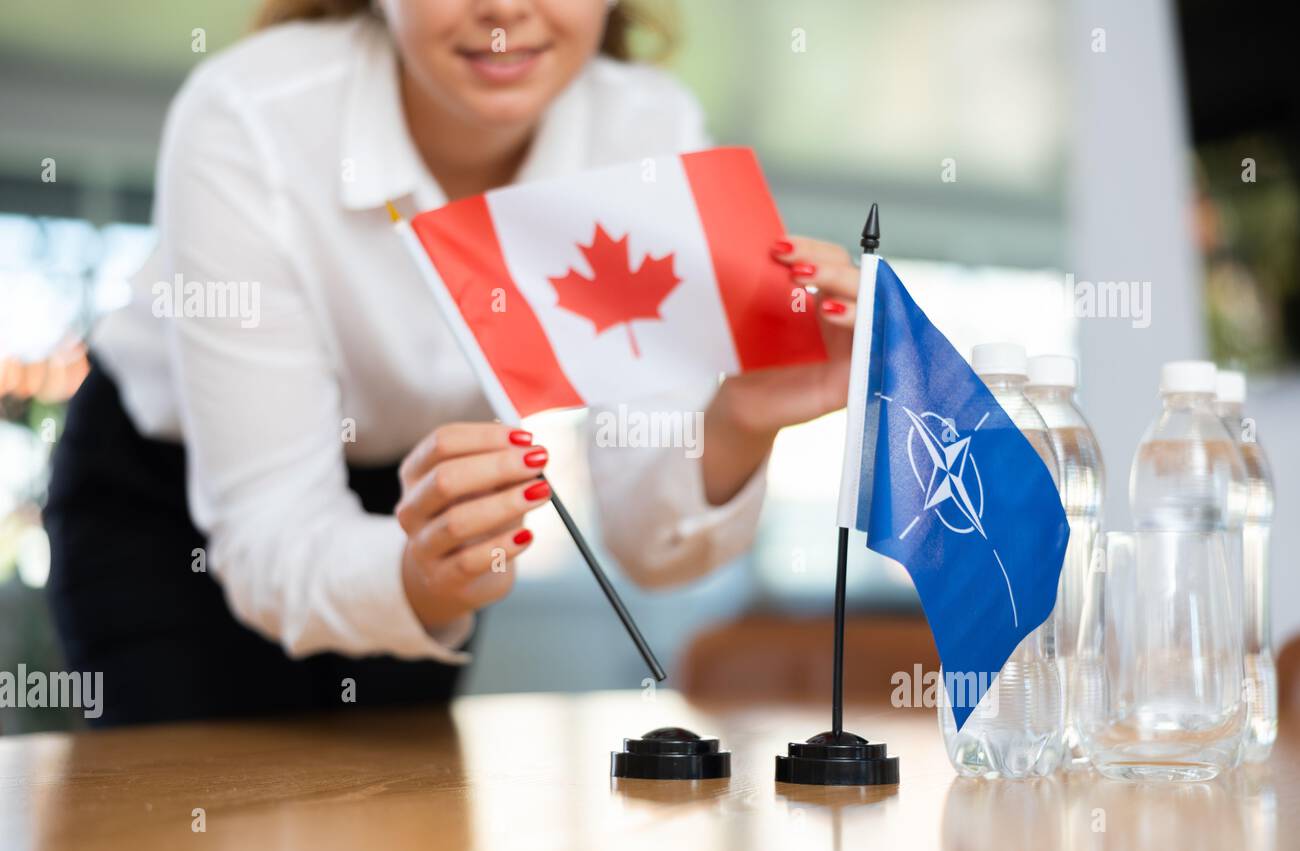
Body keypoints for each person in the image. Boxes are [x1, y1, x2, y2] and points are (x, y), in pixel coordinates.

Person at [43, 0, 861, 725]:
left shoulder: (645, 130)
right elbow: (270, 527)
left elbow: (650, 546)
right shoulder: (248, 115)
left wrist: (741, 415)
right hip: (175, 497)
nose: (504, 11)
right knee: (191, 814)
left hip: (430, 498)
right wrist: (419, 575)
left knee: (400, 810)